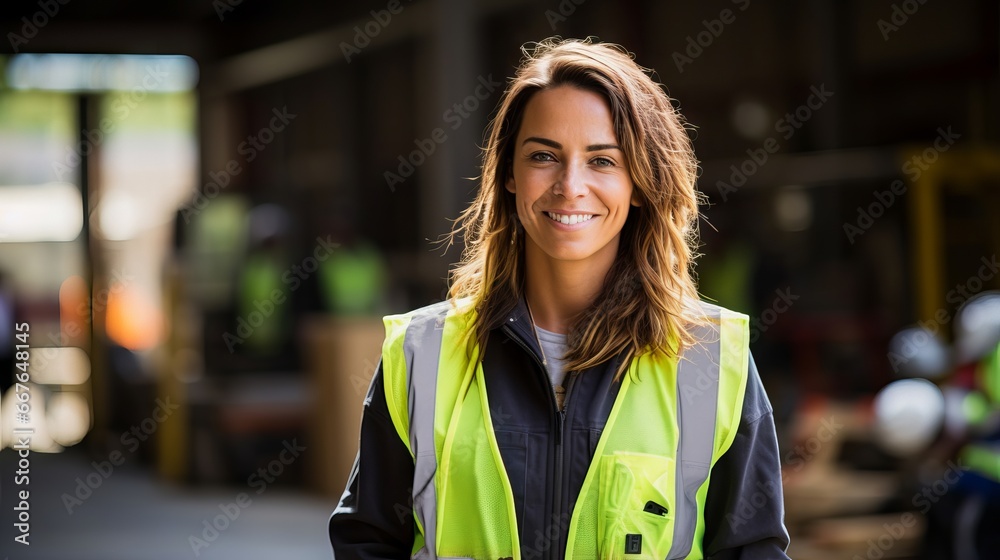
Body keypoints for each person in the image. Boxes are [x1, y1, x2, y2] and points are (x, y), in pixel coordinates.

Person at [329, 37, 790, 559]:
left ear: (639, 182)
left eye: (602, 161)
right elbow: (368, 542)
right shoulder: (420, 355)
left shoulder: (712, 361)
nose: (570, 186)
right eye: (544, 156)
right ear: (508, 173)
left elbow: (754, 551)